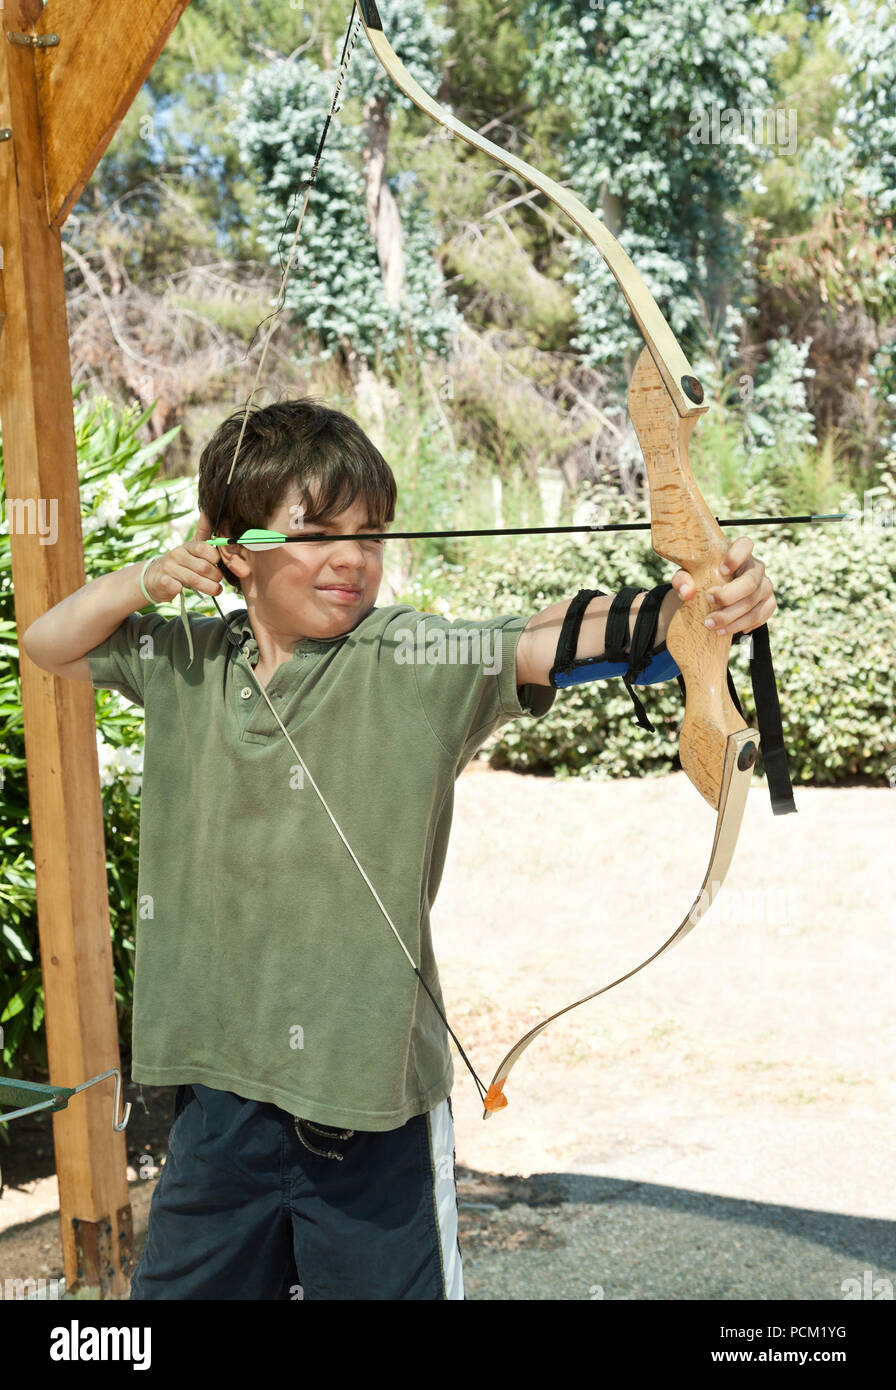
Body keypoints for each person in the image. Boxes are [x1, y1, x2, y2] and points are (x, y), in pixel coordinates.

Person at [22, 398, 777, 1300]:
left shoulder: (410, 656)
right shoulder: (183, 659)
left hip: (367, 1114)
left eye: (372, 534)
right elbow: (48, 641)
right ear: (231, 546)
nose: (353, 558)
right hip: (218, 1109)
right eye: (316, 531)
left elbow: (549, 641)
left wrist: (695, 611)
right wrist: (148, 578)